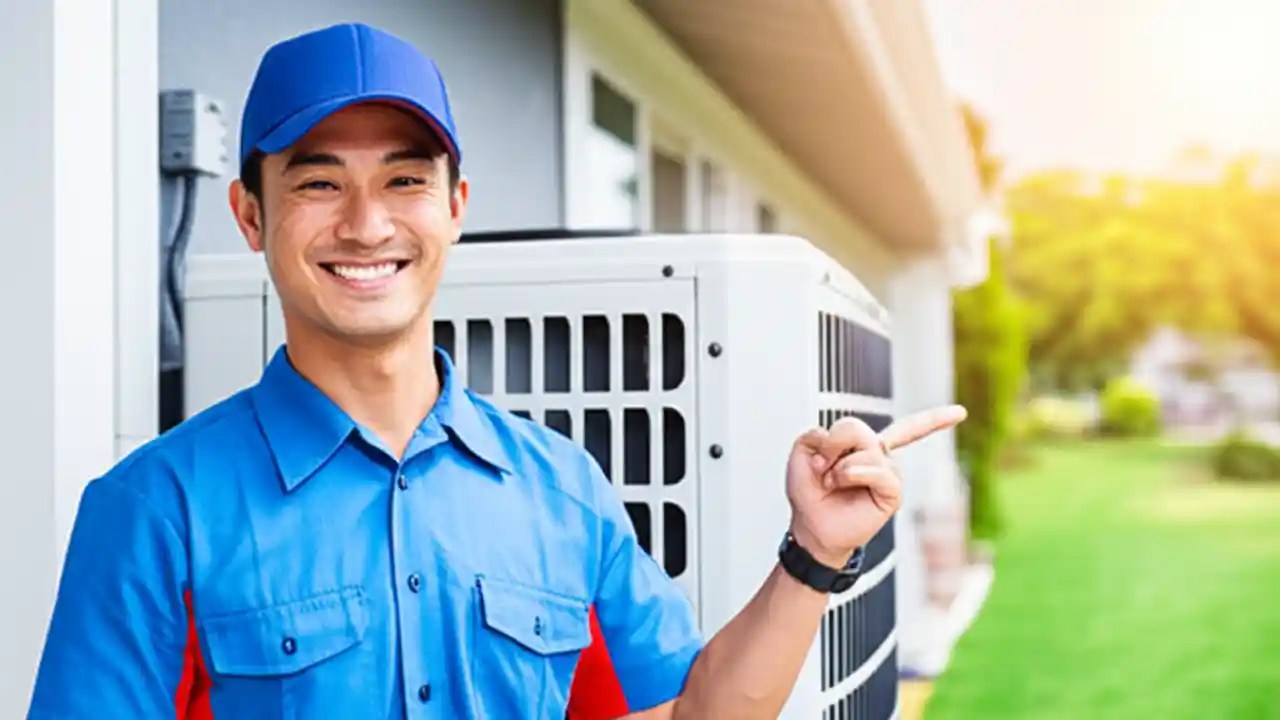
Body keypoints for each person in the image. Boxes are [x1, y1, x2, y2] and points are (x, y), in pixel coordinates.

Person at [27, 22, 965, 719]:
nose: (366, 224)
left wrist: (813, 553)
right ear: (248, 215)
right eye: (318, 182)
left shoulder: (562, 490)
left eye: (405, 180)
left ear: (455, 206)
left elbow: (689, 714)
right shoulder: (151, 510)